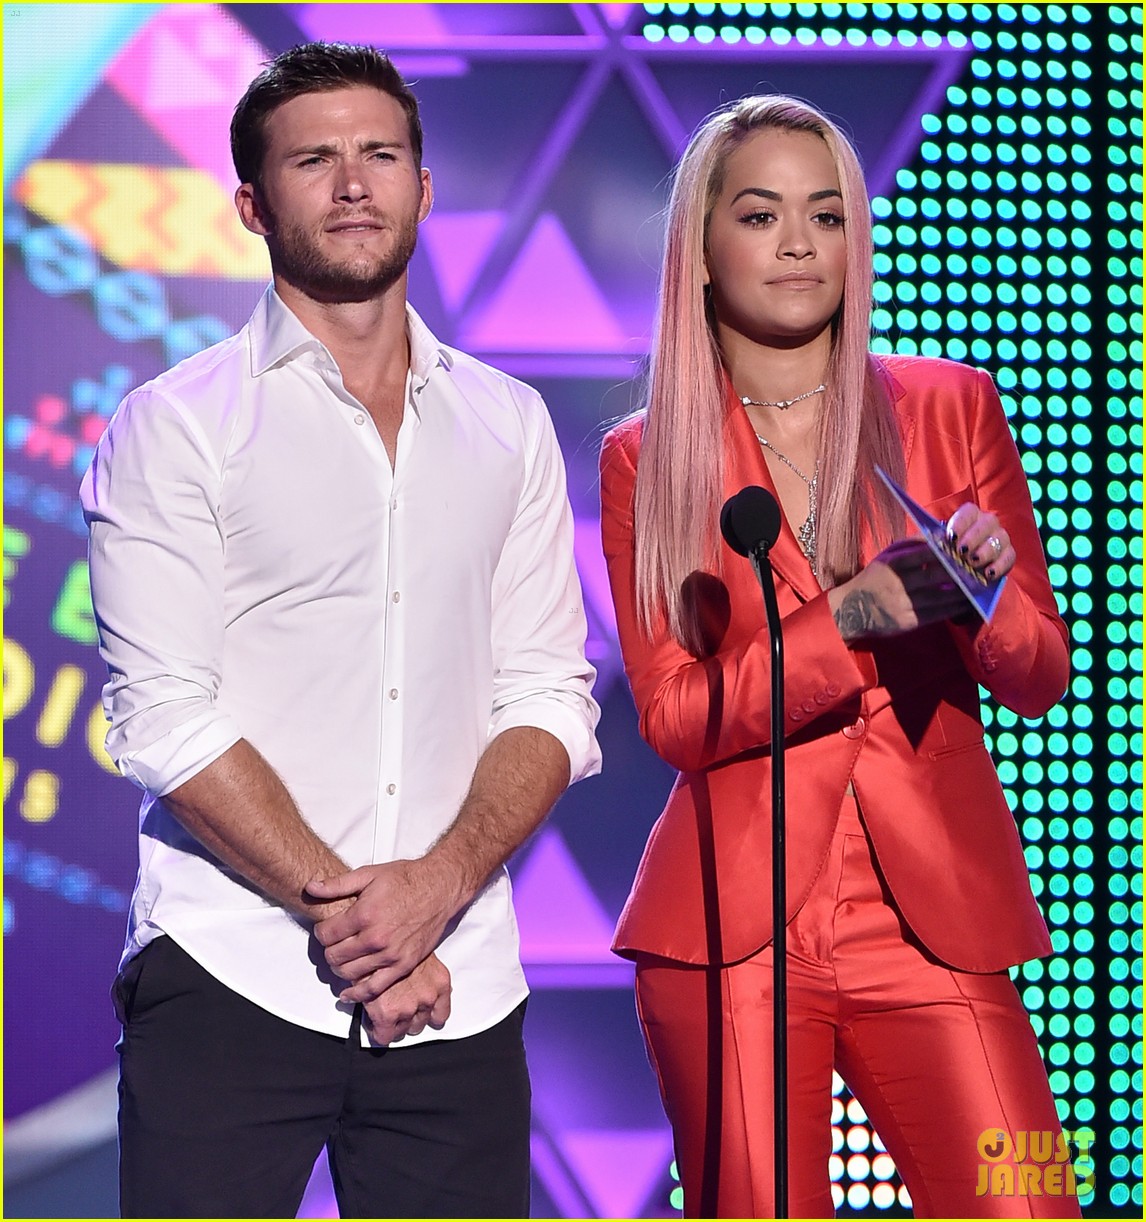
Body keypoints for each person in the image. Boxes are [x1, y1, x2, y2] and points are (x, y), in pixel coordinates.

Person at [82, 41, 601, 1220]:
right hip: (230, 975)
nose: (355, 183)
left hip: (458, 990)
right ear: (254, 206)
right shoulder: (175, 428)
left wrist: (440, 890)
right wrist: (367, 922)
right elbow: (165, 716)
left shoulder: (508, 423)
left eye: (382, 154)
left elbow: (549, 697)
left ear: (424, 185)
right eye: (316, 160)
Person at [599, 95, 1079, 1219]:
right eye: (762, 216)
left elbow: (1039, 670)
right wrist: (848, 620)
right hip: (730, 929)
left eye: (828, 215)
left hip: (937, 920)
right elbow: (675, 716)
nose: (802, 243)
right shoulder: (645, 456)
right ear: (702, 249)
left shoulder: (953, 406)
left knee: (1036, 1202)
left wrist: (982, 595)